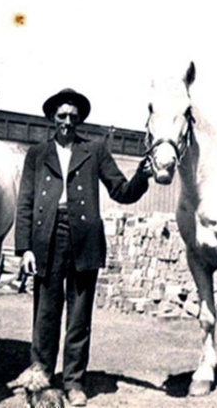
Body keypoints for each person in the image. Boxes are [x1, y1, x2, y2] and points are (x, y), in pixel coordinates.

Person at [14, 88, 151, 406]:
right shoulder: (37, 154)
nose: (67, 122)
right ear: (52, 118)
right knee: (45, 314)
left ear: (79, 120)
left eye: (73, 117)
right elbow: (25, 202)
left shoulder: (95, 150)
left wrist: (142, 176)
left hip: (84, 238)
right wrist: (25, 249)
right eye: (61, 116)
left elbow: (121, 190)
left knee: (78, 316)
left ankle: (75, 382)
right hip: (46, 237)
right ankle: (42, 375)